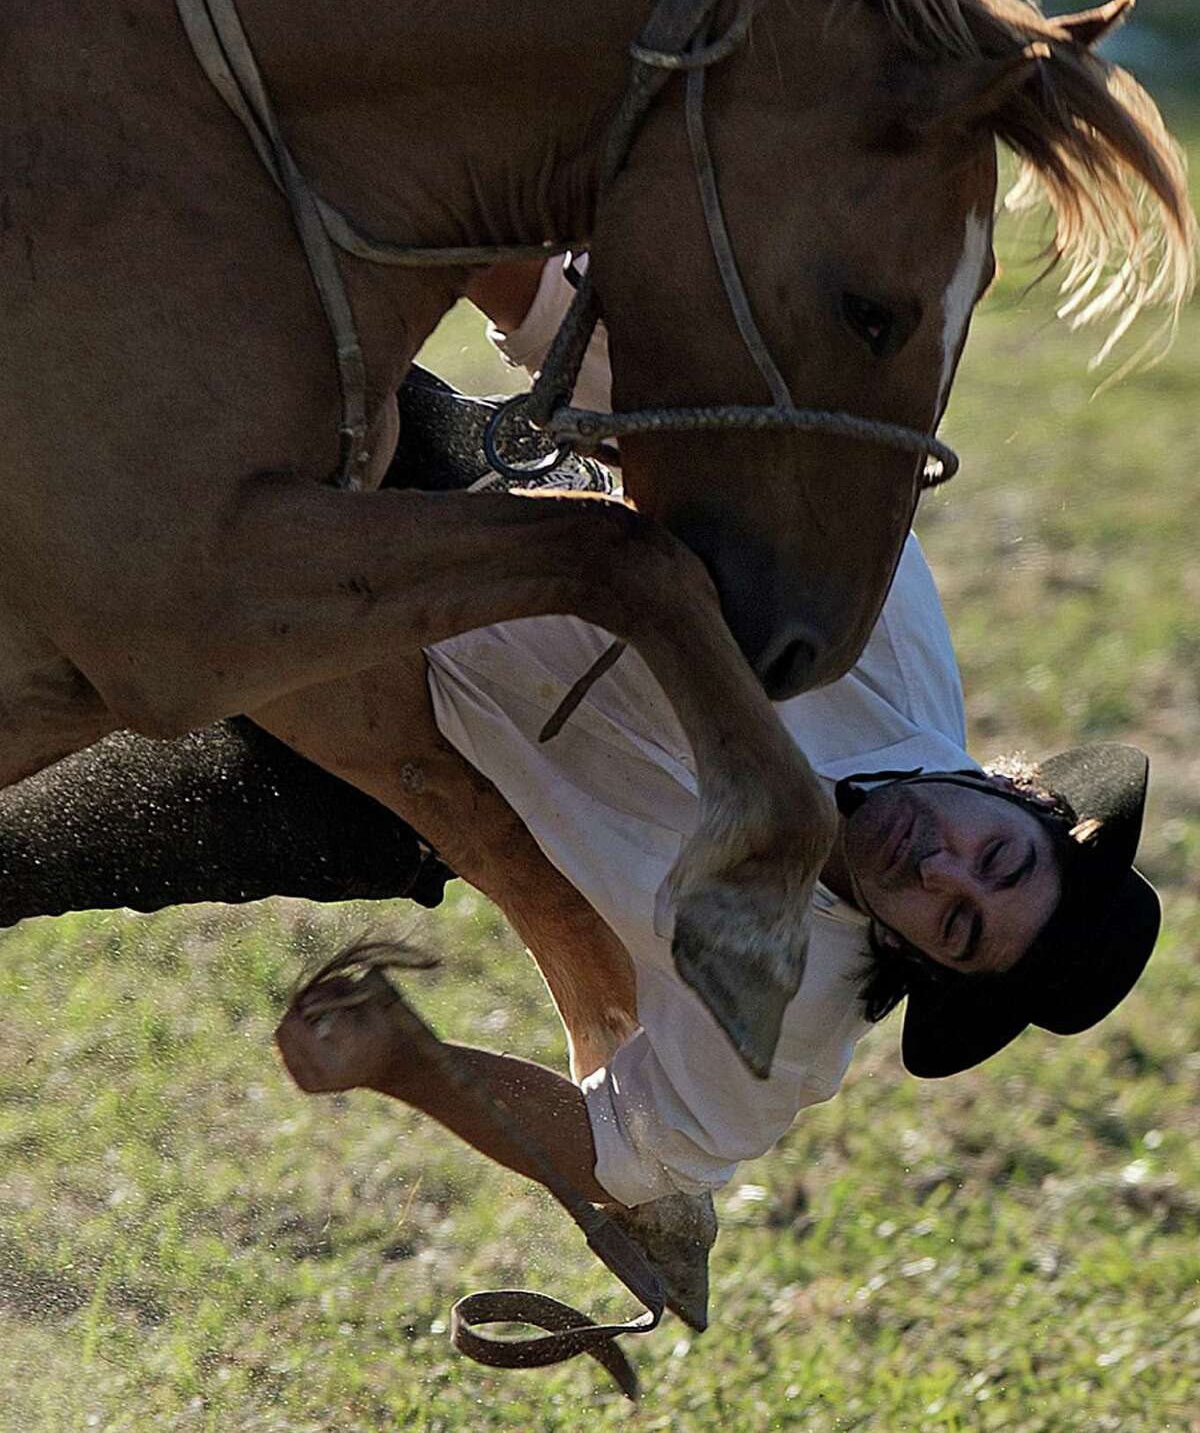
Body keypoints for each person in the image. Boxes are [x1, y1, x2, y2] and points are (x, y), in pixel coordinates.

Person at [274, 255, 1161, 1215]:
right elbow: (680, 413)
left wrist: (409, 1061)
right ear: (1015, 789)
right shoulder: (872, 621)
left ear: (920, 961)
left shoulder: (784, 1029)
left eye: (956, 924)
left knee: (98, 826)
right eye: (996, 856)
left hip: (405, 776)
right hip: (478, 501)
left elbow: (639, 1162)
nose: (941, 870)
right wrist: (520, 286)